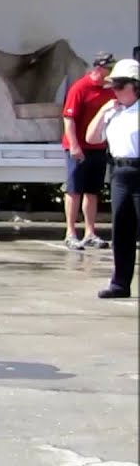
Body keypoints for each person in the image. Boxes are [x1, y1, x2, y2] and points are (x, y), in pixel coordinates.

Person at [85, 58, 140, 299]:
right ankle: (120, 283)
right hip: (120, 173)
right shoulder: (113, 112)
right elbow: (92, 138)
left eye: (120, 86)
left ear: (134, 86)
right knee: (122, 230)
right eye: (113, 86)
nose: (115, 91)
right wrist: (102, 112)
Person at [61, 52, 117, 250]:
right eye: (109, 68)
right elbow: (68, 119)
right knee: (74, 190)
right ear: (99, 68)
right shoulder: (80, 88)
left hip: (98, 147)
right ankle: (70, 232)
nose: (111, 72)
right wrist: (74, 145)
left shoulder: (110, 90)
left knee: (92, 191)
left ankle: (90, 232)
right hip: (78, 147)